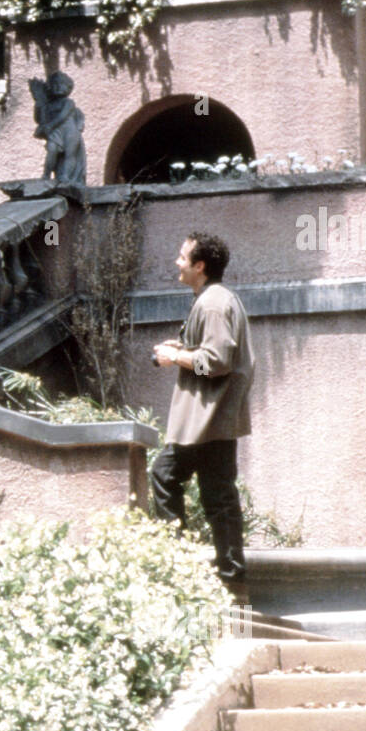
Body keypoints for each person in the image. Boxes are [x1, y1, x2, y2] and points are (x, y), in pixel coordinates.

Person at [150, 232, 255, 583]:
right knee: (219, 498)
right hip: (214, 419)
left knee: (165, 476)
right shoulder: (217, 299)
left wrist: (175, 356)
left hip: (204, 419)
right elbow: (213, 354)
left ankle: (176, 571)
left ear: (200, 265)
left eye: (183, 258)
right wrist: (181, 348)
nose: (177, 263)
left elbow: (215, 362)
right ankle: (231, 578)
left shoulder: (212, 303)